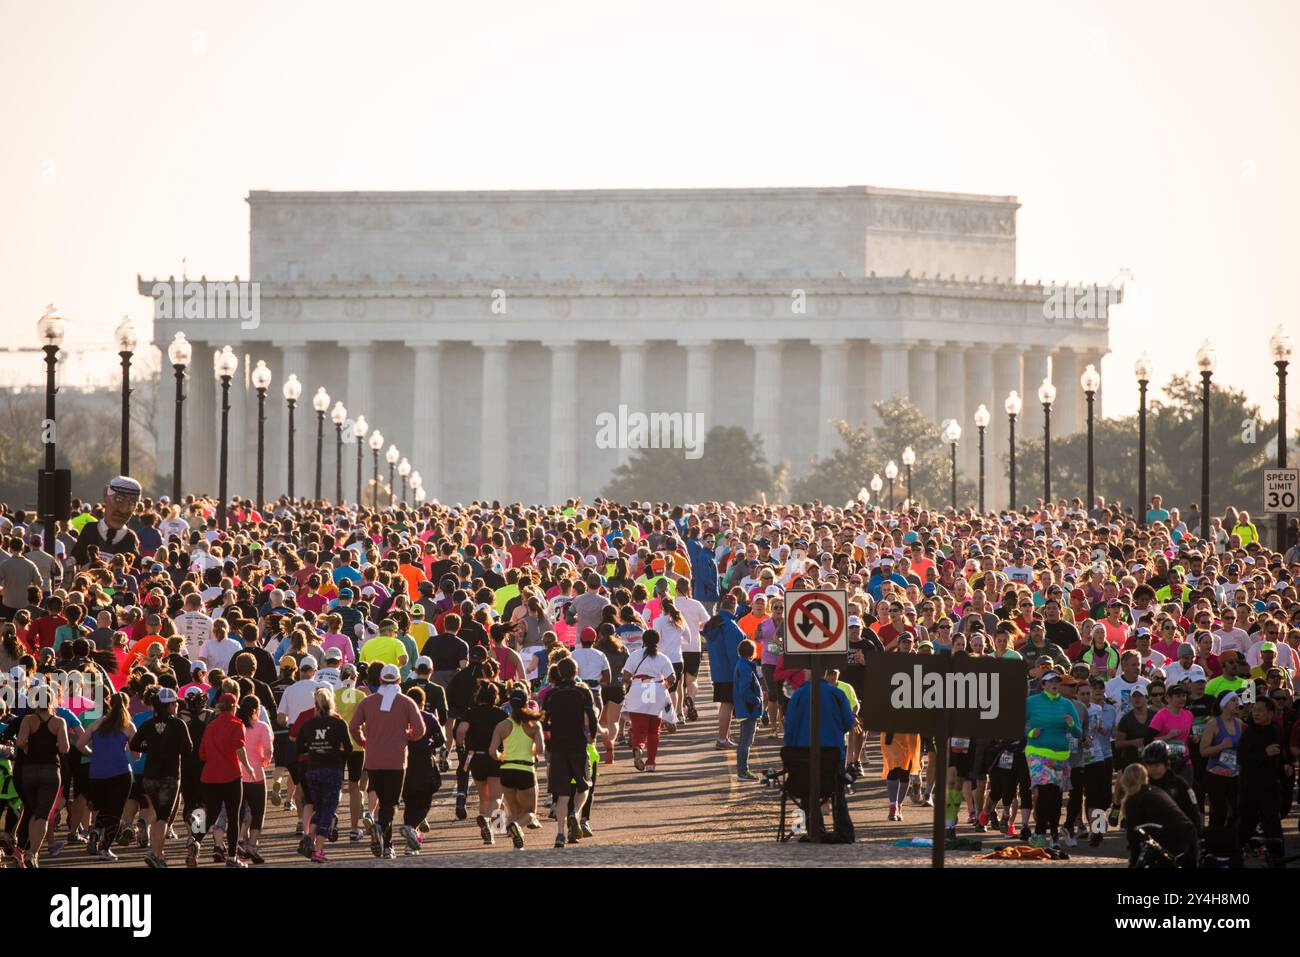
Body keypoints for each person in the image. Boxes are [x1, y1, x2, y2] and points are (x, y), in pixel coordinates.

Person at [347, 663, 425, 859]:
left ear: (380, 680)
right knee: (391, 803)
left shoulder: (368, 702)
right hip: (396, 759)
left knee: (382, 802)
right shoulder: (406, 702)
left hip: (373, 759)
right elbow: (420, 730)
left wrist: (363, 741)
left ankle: (387, 844)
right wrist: (408, 736)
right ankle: (381, 830)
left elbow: (353, 726)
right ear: (399, 680)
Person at [129, 686, 193, 868]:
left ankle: (159, 853)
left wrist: (151, 748)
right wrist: (171, 750)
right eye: (175, 704)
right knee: (163, 817)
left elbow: (134, 744)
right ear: (171, 705)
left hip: (149, 777)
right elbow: (188, 749)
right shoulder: (178, 724)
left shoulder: (148, 724)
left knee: (158, 815)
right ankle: (155, 853)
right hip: (169, 777)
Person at [541, 655, 602, 847]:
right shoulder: (583, 692)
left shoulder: (551, 695)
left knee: (562, 793)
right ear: (576, 672)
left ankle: (560, 833)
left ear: (559, 673)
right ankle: (575, 813)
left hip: (558, 746)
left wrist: (548, 738)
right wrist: (592, 736)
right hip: (577, 744)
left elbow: (544, 720)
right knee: (584, 785)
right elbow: (591, 716)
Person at [189, 691, 255, 868]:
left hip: (210, 776)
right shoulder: (236, 723)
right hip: (231, 775)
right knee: (233, 816)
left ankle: (195, 840)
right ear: (234, 707)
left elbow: (202, 754)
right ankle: (232, 858)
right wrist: (248, 766)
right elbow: (239, 747)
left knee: (210, 814)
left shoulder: (210, 726)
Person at [13, 681, 70, 867]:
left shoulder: (28, 720)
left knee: (32, 812)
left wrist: (29, 747)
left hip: (28, 771)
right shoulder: (58, 722)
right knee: (42, 814)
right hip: (50, 771)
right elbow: (64, 748)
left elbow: (20, 742)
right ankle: (33, 853)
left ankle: (27, 852)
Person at [77, 691, 139, 861]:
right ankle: (105, 849)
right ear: (126, 705)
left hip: (97, 772)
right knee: (115, 811)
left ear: (110, 704)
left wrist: (93, 754)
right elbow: (136, 754)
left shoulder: (99, 723)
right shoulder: (128, 725)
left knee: (102, 808)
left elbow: (80, 744)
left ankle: (96, 831)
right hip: (120, 772)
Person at [1024, 670, 1081, 849]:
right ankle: (1041, 832)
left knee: (1056, 795)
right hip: (1037, 752)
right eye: (1051, 682)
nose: (1055, 684)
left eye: (1058, 682)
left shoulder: (1067, 704)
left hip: (1061, 755)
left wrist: (1071, 724)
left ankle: (1054, 834)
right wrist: (1030, 732)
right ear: (1043, 685)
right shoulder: (1031, 702)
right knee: (1046, 789)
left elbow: (1078, 732)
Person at [297, 686, 354, 863]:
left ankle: (310, 838)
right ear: (332, 704)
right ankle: (318, 849)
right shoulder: (338, 723)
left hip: (312, 770)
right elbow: (349, 748)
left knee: (319, 807)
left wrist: (313, 750)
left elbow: (299, 748)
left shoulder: (307, 724)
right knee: (328, 810)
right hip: (332, 769)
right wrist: (338, 756)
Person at [489, 688, 546, 849]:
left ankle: (517, 843)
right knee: (529, 813)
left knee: (513, 812)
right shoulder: (534, 725)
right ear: (527, 703)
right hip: (526, 769)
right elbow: (540, 750)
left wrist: (503, 758)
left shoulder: (502, 725)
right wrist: (532, 753)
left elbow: (492, 751)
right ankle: (517, 828)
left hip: (507, 770)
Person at [1119, 763, 1199, 868]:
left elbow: (1133, 838)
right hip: (1189, 834)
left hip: (1172, 838)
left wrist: (1132, 863)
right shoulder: (1155, 790)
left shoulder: (1133, 800)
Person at [621, 628, 676, 772]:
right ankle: (651, 762)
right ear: (658, 641)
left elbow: (626, 677)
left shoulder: (634, 655)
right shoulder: (663, 658)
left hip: (638, 689)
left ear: (643, 641)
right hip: (655, 689)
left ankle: (638, 747)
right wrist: (664, 686)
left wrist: (633, 685)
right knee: (653, 730)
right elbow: (672, 678)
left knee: (638, 728)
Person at [399, 684, 445, 855]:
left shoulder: (401, 717)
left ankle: (411, 841)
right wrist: (431, 742)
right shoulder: (429, 717)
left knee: (409, 801)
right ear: (423, 702)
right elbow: (441, 740)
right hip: (424, 761)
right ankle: (412, 828)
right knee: (425, 798)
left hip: (405, 761)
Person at [733, 638, 765, 780]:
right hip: (748, 709)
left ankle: (742, 770)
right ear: (752, 653)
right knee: (746, 741)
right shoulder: (745, 667)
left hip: (746, 708)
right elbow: (744, 689)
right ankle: (743, 771)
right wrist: (756, 700)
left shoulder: (742, 665)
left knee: (744, 741)